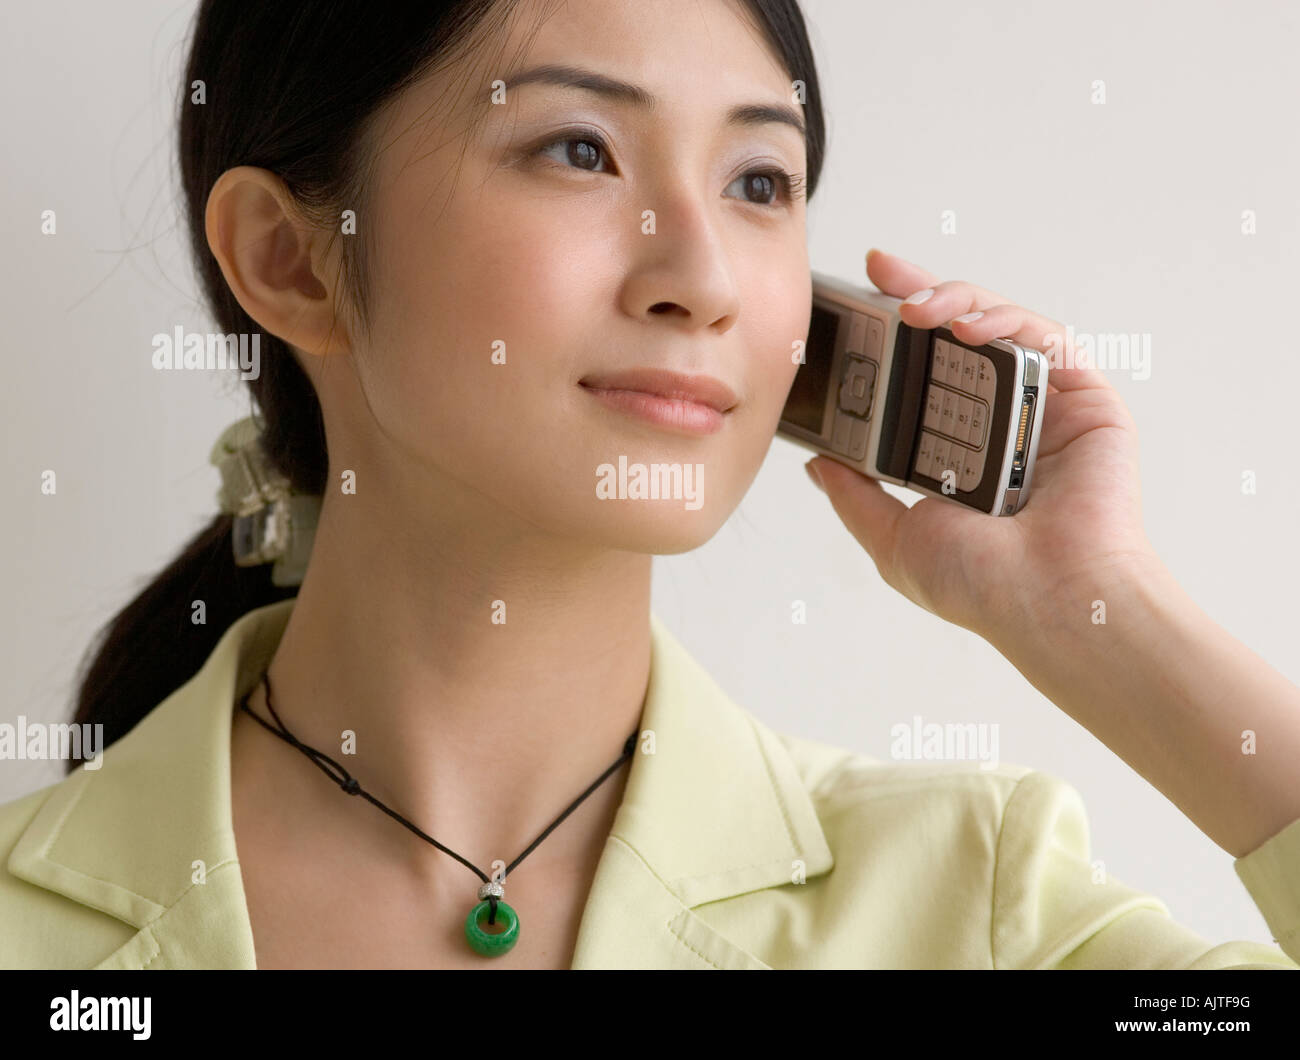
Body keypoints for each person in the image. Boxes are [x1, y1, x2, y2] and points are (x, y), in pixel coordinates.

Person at [1, 0, 1297, 970]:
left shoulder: (974, 905)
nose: (707, 276)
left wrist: (1104, 614)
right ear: (292, 259)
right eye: (580, 151)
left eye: (758, 183)